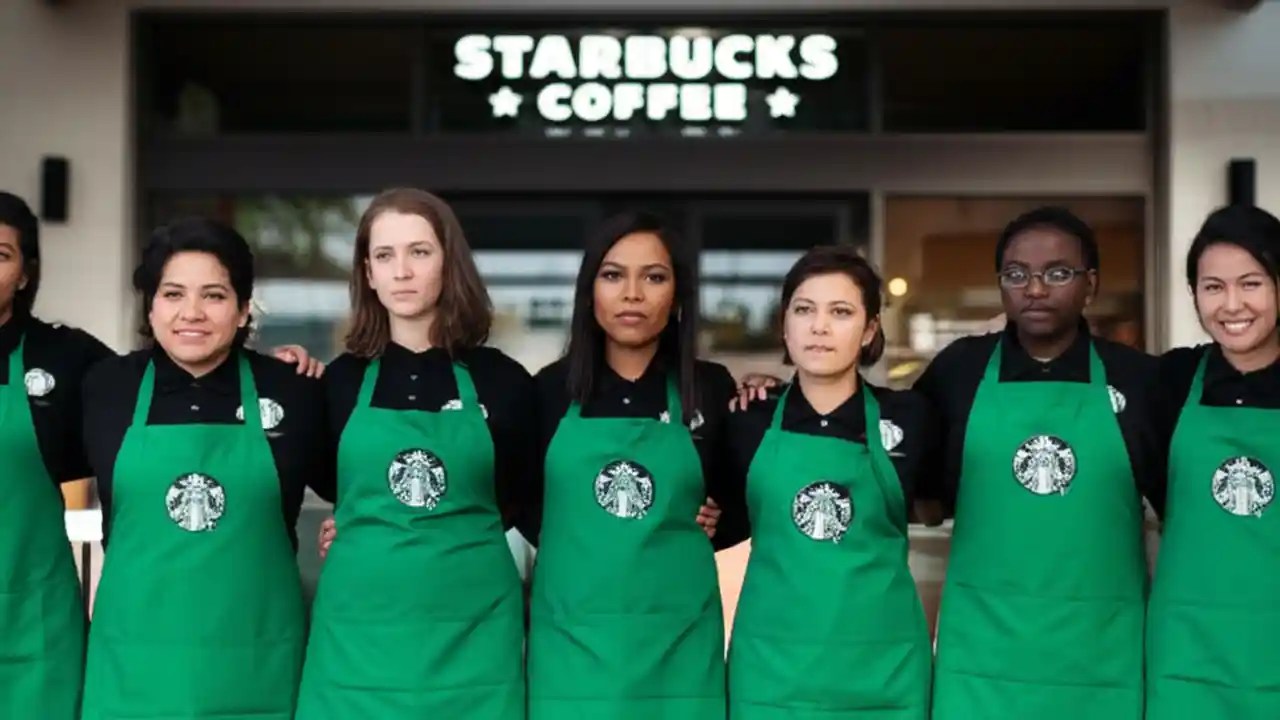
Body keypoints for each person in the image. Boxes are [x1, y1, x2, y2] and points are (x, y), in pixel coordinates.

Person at [79, 218, 334, 720]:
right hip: (133, 670)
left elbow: (361, 484)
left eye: (214, 296)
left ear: (243, 311)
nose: (190, 313)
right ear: (150, 306)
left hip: (260, 669)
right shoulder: (102, 387)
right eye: (172, 294)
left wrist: (350, 518)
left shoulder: (294, 390)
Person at [295, 189, 533, 718]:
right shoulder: (334, 385)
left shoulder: (505, 384)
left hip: (475, 640)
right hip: (356, 644)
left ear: (450, 263)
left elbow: (527, 497)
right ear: (368, 273)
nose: (401, 271)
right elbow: (326, 486)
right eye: (385, 256)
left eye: (419, 252)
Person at [921, 207, 1159, 719]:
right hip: (981, 663)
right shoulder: (958, 371)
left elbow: (1178, 517)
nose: (1034, 289)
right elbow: (910, 485)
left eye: (1056, 273)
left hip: (1102, 661)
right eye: (1016, 274)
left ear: (1090, 284)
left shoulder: (1141, 381)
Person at [525, 211, 743, 720]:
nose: (632, 293)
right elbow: (511, 499)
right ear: (589, 292)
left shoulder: (713, 388)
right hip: (570, 645)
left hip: (680, 646)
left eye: (654, 276)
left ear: (678, 295)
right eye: (613, 274)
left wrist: (719, 516)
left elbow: (747, 497)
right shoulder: (546, 391)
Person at [725, 245, 933, 719]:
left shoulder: (912, 417)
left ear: (870, 329)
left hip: (884, 672)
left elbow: (938, 505)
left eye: (840, 312)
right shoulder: (745, 419)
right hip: (771, 673)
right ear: (785, 324)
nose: (819, 327)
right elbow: (715, 517)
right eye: (804, 310)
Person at [1146, 204, 1280, 719]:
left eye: (1251, 283)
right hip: (1188, 659)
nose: (1232, 304)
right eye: (1212, 287)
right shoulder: (1170, 381)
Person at [0, 192, 113, 718]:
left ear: (25, 274)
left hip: (36, 625)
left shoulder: (64, 355)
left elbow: (169, 383)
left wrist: (265, 371)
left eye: (1, 254)